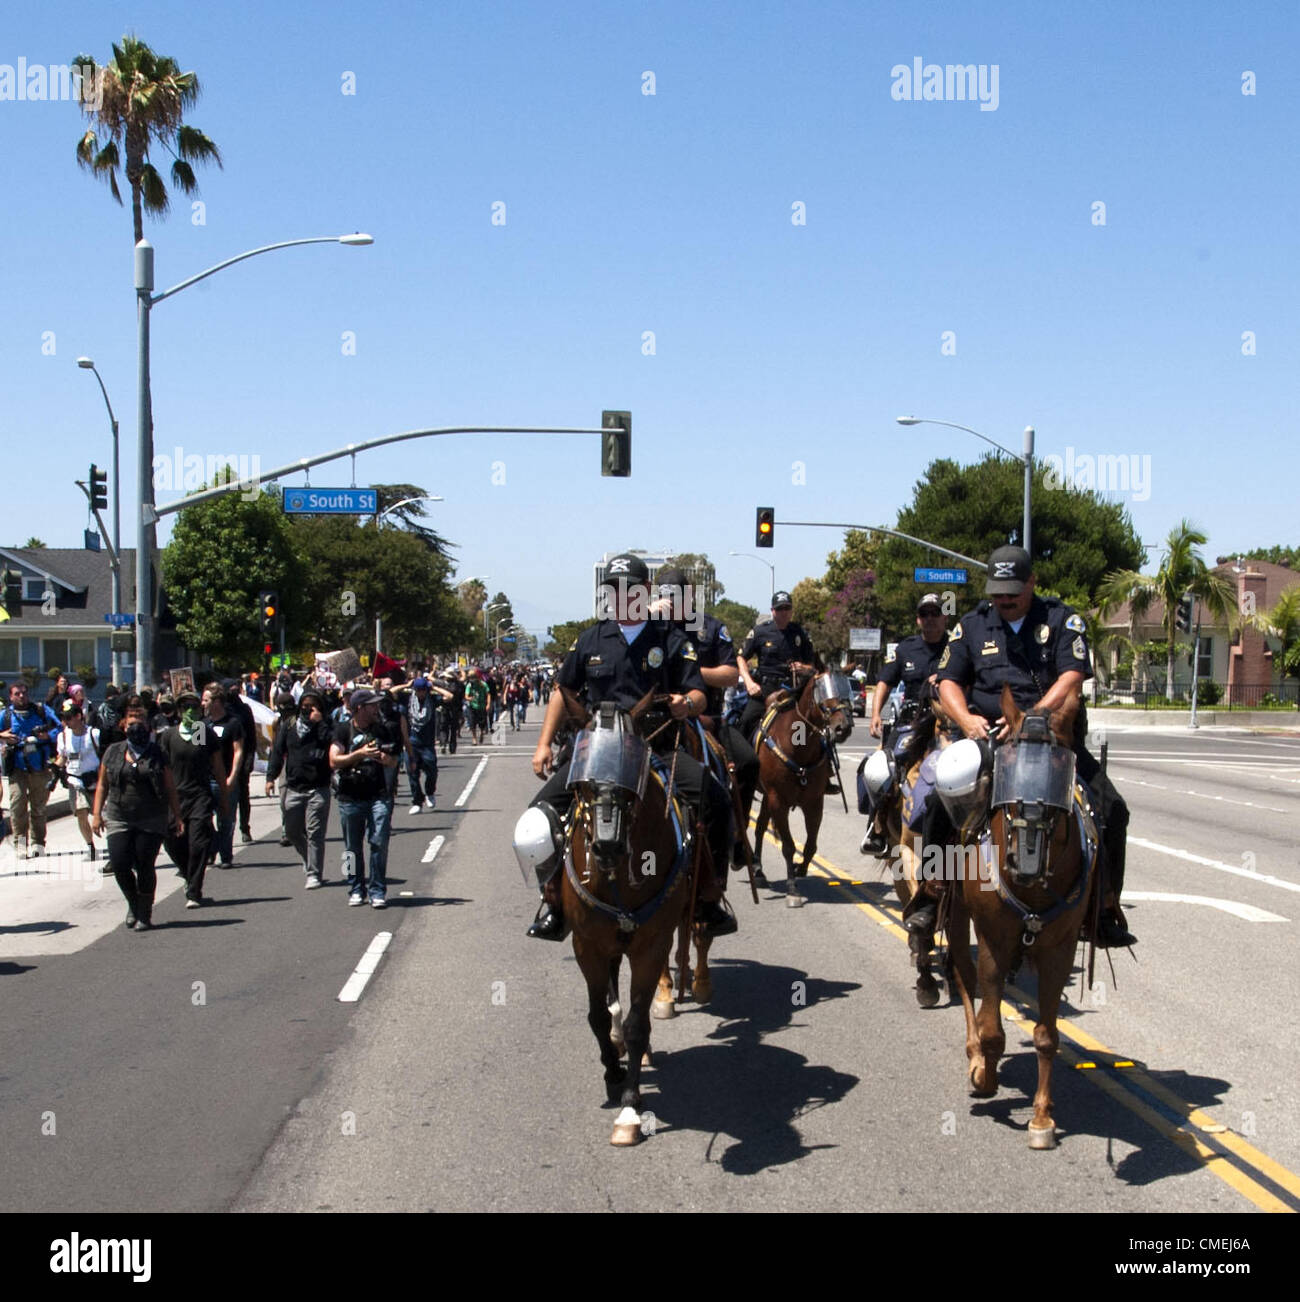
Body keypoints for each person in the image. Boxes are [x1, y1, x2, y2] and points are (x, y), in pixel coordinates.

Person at [516, 552, 736, 941]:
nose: (622, 596)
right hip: (595, 750)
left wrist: (688, 705)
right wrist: (543, 744)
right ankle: (554, 903)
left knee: (717, 801)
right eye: (614, 590)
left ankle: (707, 897)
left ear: (645, 591)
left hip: (656, 749)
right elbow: (561, 691)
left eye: (630, 589)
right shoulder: (591, 639)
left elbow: (698, 693)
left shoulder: (670, 639)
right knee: (536, 819)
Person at [935, 544, 1136, 949]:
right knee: (937, 802)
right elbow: (948, 681)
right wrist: (966, 720)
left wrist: (1032, 716)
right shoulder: (973, 625)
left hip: (1051, 741)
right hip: (990, 739)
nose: (1004, 599)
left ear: (1032, 583)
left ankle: (1103, 908)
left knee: (1112, 810)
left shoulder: (1062, 620)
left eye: (1012, 590)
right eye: (997, 591)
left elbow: (1072, 676)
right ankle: (933, 889)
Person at [652, 566, 759, 867]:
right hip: (660, 723)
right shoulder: (649, 629)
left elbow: (730, 674)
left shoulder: (709, 628)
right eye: (665, 597)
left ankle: (738, 836)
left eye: (677, 596)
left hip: (708, 718)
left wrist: (690, 674)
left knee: (749, 762)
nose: (671, 603)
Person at [860, 593, 950, 855]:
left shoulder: (957, 646)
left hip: (948, 720)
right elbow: (884, 682)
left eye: (936, 613)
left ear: (945, 617)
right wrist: (876, 713)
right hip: (910, 723)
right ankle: (876, 829)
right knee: (881, 769)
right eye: (925, 614)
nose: (930, 619)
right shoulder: (905, 649)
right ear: (918, 620)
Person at [91, 695, 184, 931]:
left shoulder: (157, 752)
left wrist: (177, 815)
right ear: (123, 724)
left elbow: (170, 785)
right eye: (132, 719)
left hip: (151, 817)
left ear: (148, 725)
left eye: (141, 720)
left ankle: (145, 911)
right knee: (120, 863)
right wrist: (96, 814)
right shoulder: (113, 751)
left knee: (144, 864)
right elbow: (102, 784)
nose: (136, 724)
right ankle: (133, 903)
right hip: (119, 815)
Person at [736, 591, 836, 794]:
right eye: (779, 609)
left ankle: (823, 772)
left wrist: (803, 668)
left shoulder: (799, 633)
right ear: (772, 611)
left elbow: (813, 666)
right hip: (765, 691)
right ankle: (740, 770)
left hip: (793, 693)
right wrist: (748, 682)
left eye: (787, 608)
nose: (783, 612)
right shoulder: (760, 632)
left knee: (812, 727)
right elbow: (740, 658)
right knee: (746, 722)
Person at [158, 688, 228, 908]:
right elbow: (162, 768)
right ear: (179, 711)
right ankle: (189, 876)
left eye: (194, 707)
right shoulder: (169, 735)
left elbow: (216, 766)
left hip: (199, 796)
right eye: (185, 707)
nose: (190, 711)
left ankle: (194, 891)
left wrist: (224, 797)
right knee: (173, 842)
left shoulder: (201, 732)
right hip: (176, 797)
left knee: (198, 843)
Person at [330, 688, 399, 908]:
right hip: (350, 797)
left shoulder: (382, 730)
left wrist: (384, 758)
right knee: (351, 848)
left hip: (378, 795)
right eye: (372, 706)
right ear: (360, 708)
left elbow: (394, 760)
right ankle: (355, 888)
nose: (377, 709)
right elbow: (333, 760)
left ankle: (377, 890)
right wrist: (359, 754)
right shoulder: (342, 730)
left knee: (379, 842)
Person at [266, 688, 333, 889]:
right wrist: (271, 777)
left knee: (315, 833)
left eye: (313, 706)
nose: (308, 710)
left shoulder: (326, 725)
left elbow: (331, 742)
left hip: (318, 787)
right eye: (305, 706)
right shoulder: (288, 726)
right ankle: (307, 858)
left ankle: (314, 873)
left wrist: (319, 722)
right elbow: (277, 752)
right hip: (294, 787)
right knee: (292, 831)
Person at [0, 681, 62, 858]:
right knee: (17, 805)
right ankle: (20, 843)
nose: (21, 696)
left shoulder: (41, 711)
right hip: (16, 768)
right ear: (11, 696)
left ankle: (37, 843)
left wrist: (46, 736)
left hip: (39, 767)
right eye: (17, 694)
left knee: (38, 808)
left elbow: (59, 727)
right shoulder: (5, 715)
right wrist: (2, 735)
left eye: (24, 693)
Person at [202, 684, 244, 868]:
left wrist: (233, 777)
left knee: (225, 819)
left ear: (217, 702)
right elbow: (196, 752)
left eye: (206, 700)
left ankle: (225, 856)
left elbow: (238, 751)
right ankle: (212, 849)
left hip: (224, 778)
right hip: (205, 779)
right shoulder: (201, 724)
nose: (203, 703)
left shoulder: (233, 723)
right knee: (203, 818)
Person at [54, 697, 102, 861]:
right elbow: (62, 757)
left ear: (79, 716)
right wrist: (54, 767)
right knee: (81, 813)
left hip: (95, 779)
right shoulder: (63, 737)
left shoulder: (94, 734)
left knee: (103, 815)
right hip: (76, 780)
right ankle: (90, 846)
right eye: (63, 718)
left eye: (69, 717)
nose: (66, 721)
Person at [406, 676, 453, 813]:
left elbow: (449, 696)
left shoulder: (432, 700)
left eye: (423, 690)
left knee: (432, 770)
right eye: (418, 689)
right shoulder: (408, 699)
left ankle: (430, 792)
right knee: (412, 774)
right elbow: (390, 692)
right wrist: (406, 685)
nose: (421, 692)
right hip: (412, 743)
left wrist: (434, 688)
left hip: (427, 744)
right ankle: (417, 802)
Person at [225, 679, 258, 844]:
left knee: (243, 796)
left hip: (242, 759)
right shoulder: (218, 713)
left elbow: (251, 737)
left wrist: (250, 758)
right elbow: (202, 741)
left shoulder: (244, 710)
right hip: (222, 762)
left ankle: (245, 828)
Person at [465, 670, 489, 745]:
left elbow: (488, 694)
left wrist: (488, 704)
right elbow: (466, 695)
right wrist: (469, 698)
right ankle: (474, 738)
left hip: (481, 706)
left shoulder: (483, 684)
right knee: (472, 723)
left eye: (473, 677)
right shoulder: (469, 685)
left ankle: (482, 733)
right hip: (472, 706)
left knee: (482, 723)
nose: (471, 679)